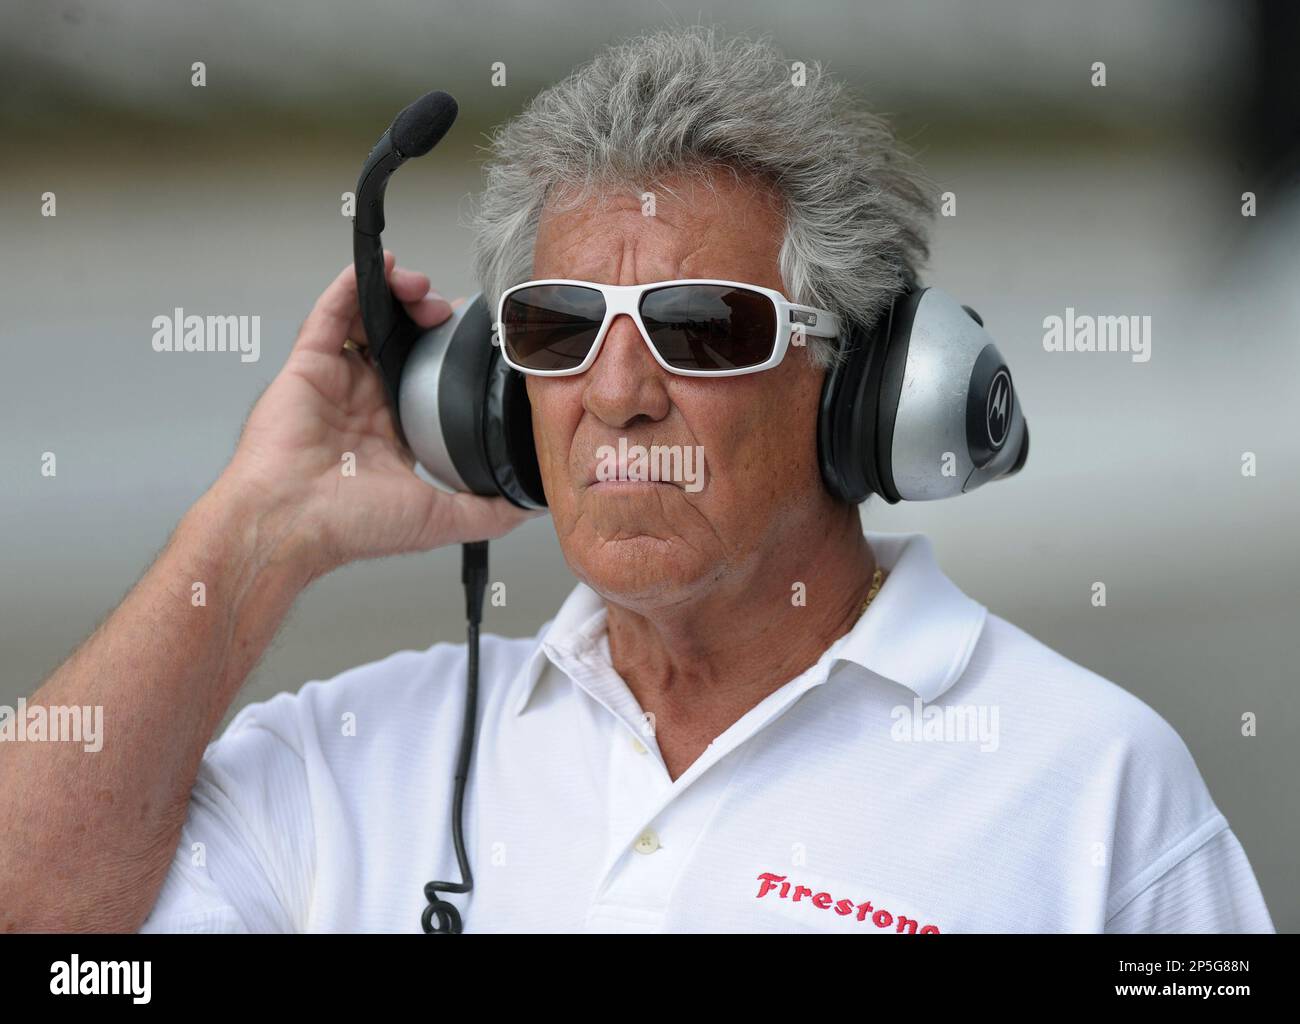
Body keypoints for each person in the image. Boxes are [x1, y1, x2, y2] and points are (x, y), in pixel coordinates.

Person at [0, 26, 1272, 934]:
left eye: (702, 327)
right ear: (494, 392)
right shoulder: (358, 756)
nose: (616, 392)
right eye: (557, 328)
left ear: (867, 388)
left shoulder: (1093, 784)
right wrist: (260, 525)